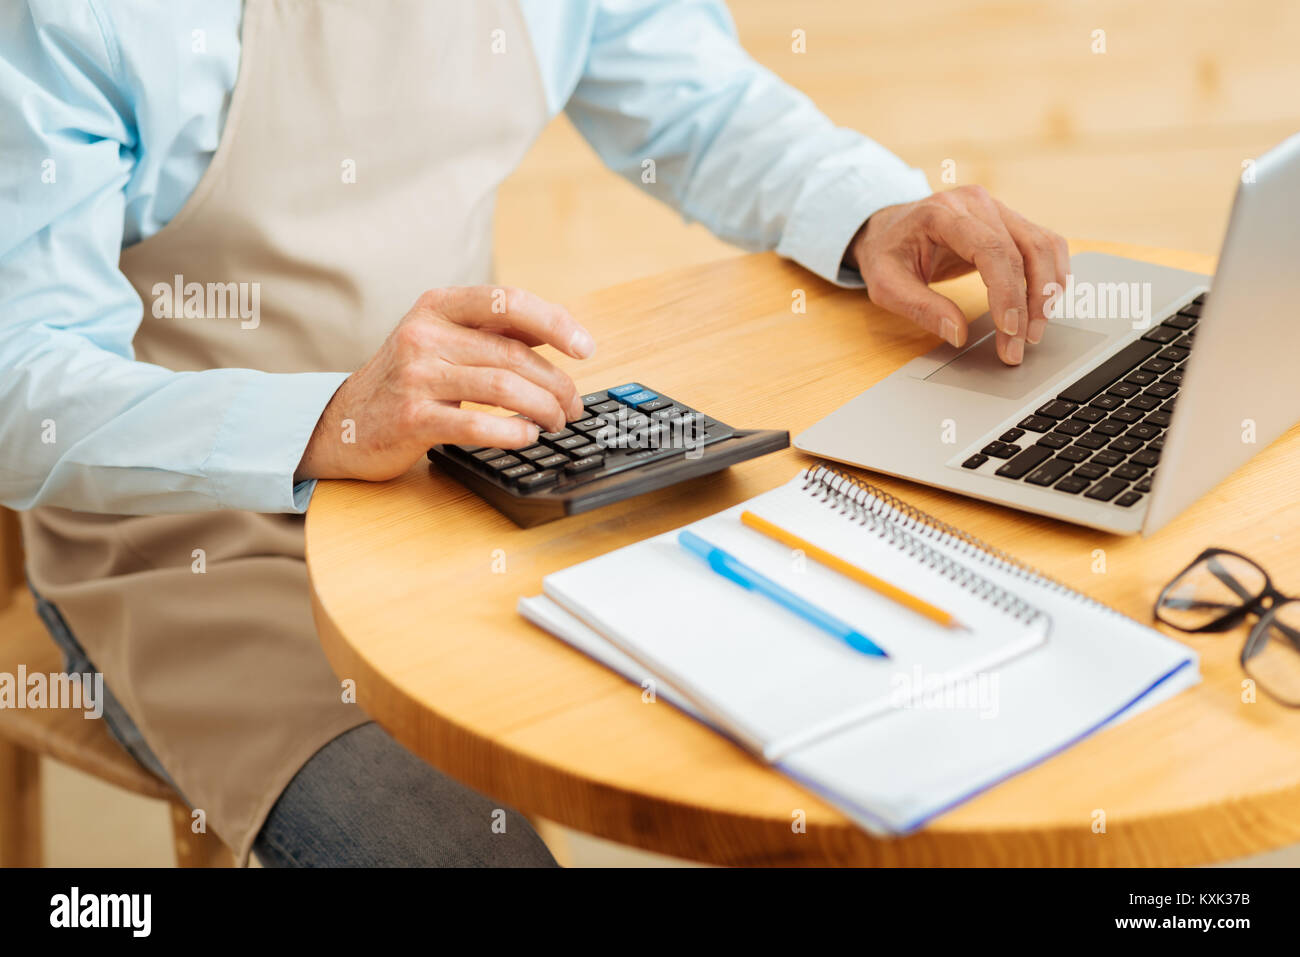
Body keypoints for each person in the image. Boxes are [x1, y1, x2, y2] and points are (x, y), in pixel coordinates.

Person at [0, 0, 1067, 866]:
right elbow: (21, 384)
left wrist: (872, 215)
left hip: (474, 481)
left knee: (875, 731)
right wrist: (328, 418)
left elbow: (698, 107)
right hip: (190, 537)